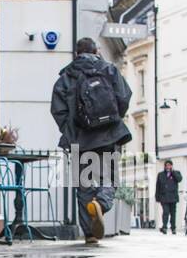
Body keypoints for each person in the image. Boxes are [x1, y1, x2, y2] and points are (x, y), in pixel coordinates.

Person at [50, 37, 133, 245]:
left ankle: (90, 234)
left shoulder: (66, 77)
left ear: (76, 54)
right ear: (96, 50)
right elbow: (124, 96)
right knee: (109, 179)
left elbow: (58, 110)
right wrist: (112, 119)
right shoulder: (109, 69)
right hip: (108, 135)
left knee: (84, 184)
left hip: (80, 140)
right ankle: (101, 203)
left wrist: (70, 130)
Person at [155, 159, 182, 235]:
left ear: (171, 166)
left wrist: (173, 172)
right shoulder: (160, 174)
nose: (168, 167)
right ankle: (164, 227)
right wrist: (157, 197)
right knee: (165, 212)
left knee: (173, 213)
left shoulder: (176, 173)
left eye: (169, 165)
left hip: (173, 197)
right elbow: (158, 186)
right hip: (164, 197)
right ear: (165, 166)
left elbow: (179, 179)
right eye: (167, 165)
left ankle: (173, 228)